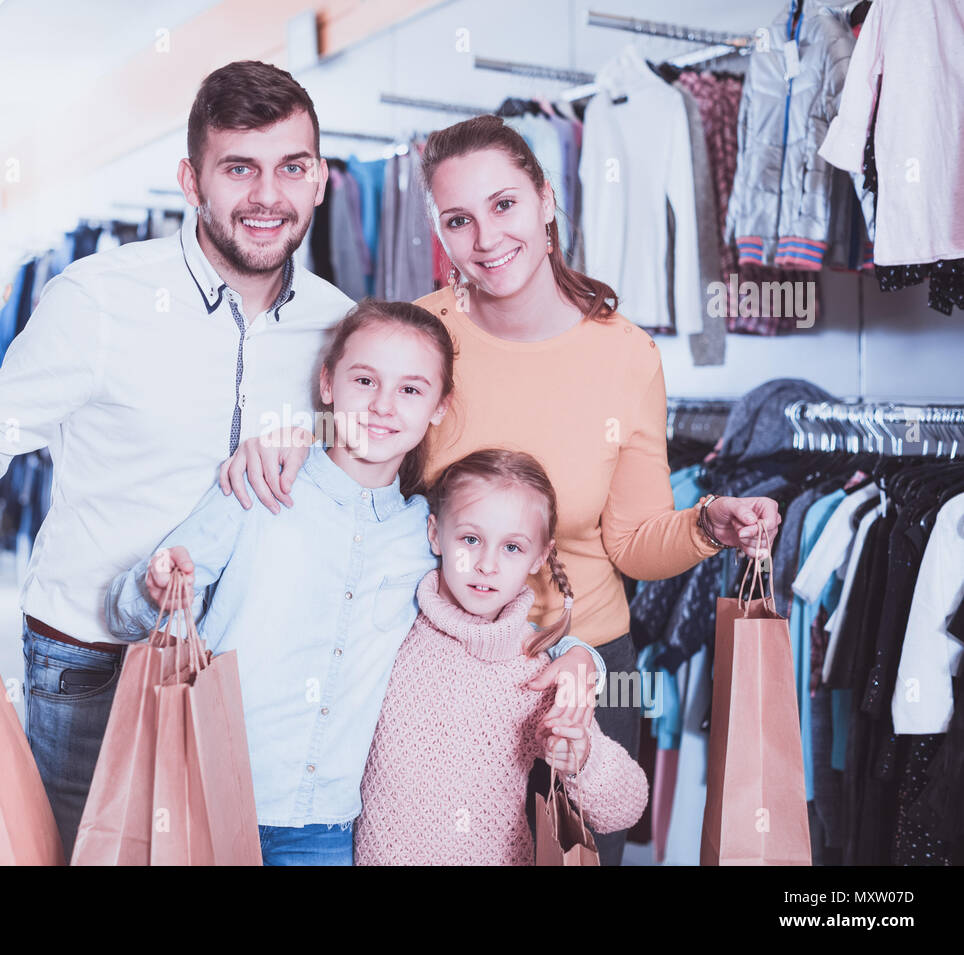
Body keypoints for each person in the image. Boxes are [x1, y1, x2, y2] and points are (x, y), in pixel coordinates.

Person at [217, 113, 782, 865]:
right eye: (459, 219)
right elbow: (365, 453)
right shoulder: (421, 331)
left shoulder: (625, 354)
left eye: (504, 205)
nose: (485, 238)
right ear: (440, 233)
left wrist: (709, 523)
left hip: (577, 668)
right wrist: (301, 436)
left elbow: (634, 543)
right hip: (428, 663)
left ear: (546, 200)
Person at [0, 60, 356, 857]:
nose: (268, 196)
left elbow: (357, 467)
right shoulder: (97, 299)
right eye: (240, 169)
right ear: (191, 179)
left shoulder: (341, 326)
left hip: (245, 662)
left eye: (291, 167)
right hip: (94, 660)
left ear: (321, 179)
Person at [107, 300, 603, 865]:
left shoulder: (430, 535)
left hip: (324, 829)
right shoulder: (258, 485)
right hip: (203, 797)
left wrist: (583, 655)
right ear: (327, 384)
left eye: (412, 390)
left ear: (440, 408)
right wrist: (153, 591)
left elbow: (504, 627)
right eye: (365, 380)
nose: (383, 406)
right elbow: (125, 612)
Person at [355, 448, 648, 865]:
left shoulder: (536, 672)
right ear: (435, 534)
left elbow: (626, 807)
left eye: (512, 547)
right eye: (470, 540)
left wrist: (583, 759)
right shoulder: (389, 629)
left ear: (540, 557)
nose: (487, 564)